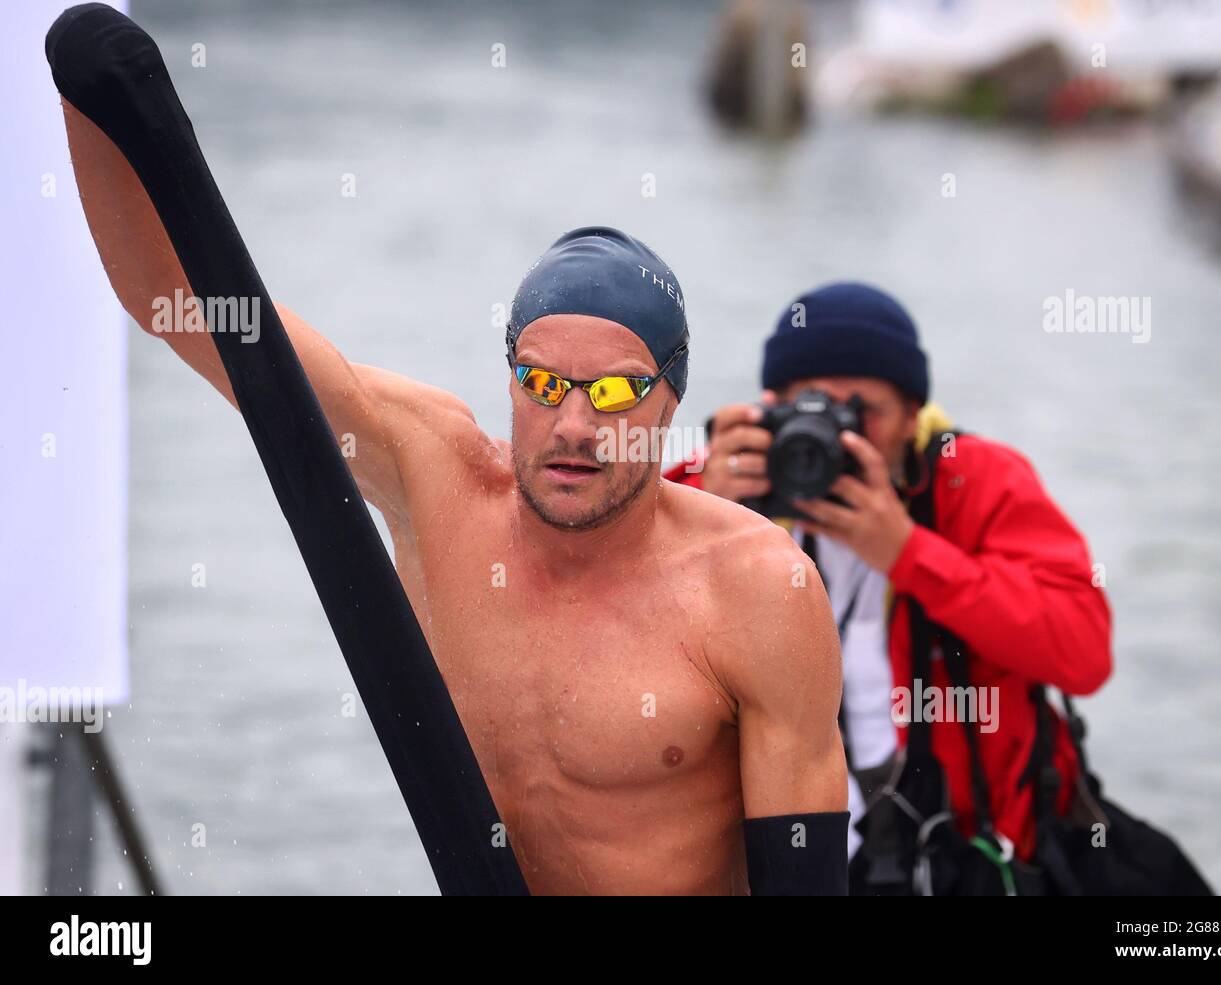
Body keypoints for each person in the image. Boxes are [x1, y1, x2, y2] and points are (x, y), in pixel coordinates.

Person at [58, 81, 851, 894]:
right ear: (509, 380)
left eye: (612, 392)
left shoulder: (758, 588)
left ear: (669, 402)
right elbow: (179, 305)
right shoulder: (436, 482)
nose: (573, 423)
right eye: (542, 384)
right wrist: (82, 82)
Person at [665, 282, 1113, 890]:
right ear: (768, 407)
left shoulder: (972, 482)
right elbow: (603, 639)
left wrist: (907, 552)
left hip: (963, 850)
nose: (835, 436)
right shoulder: (716, 485)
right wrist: (701, 522)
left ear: (912, 418)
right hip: (780, 852)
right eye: (809, 406)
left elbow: (1084, 651)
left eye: (862, 414)